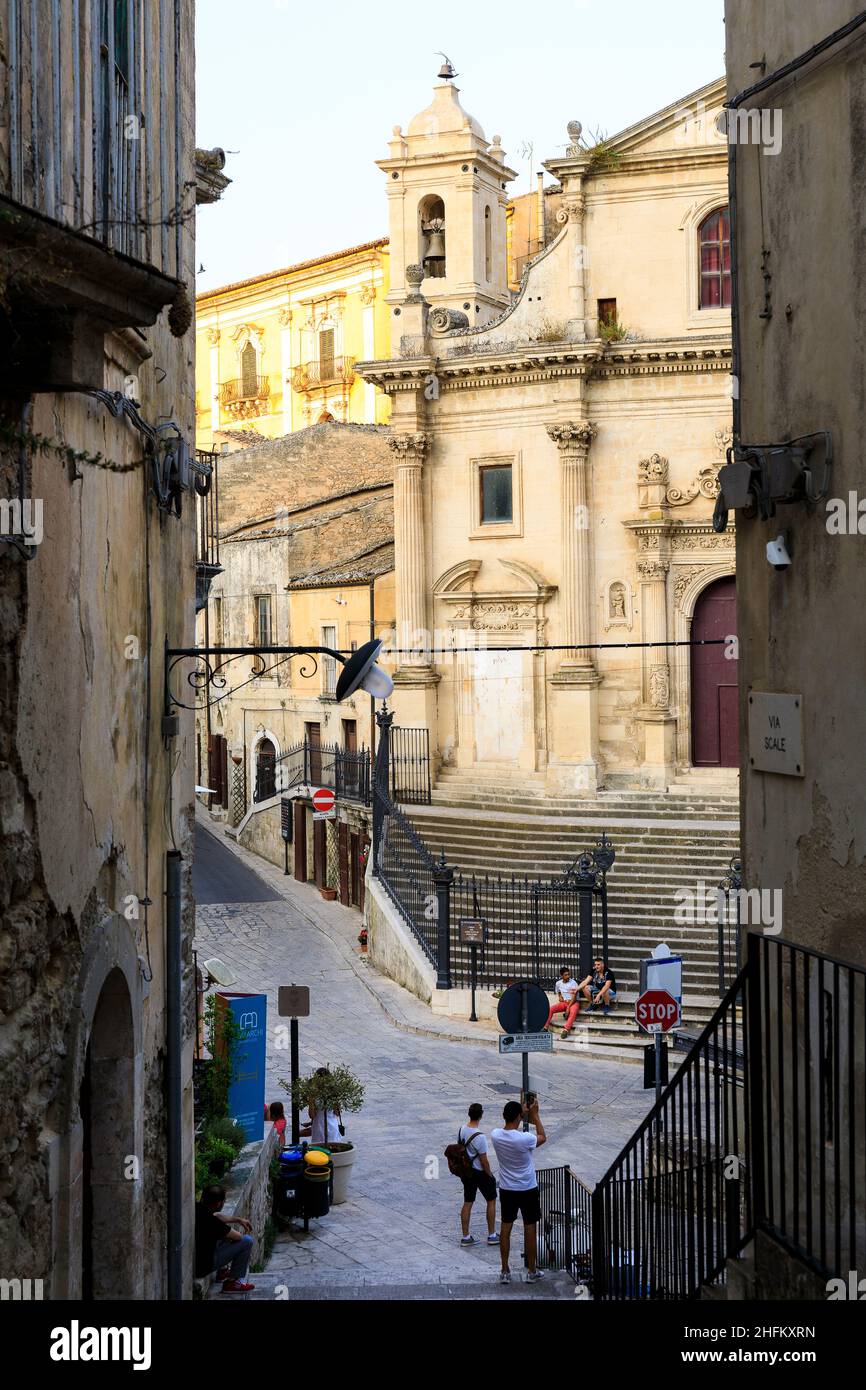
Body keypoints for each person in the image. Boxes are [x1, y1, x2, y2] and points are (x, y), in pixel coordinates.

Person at [490, 1098, 547, 1284]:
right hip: (528, 1188)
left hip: (507, 1189)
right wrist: (535, 1115)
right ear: (518, 1117)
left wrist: (520, 1113)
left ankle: (505, 1270)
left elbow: (507, 1126)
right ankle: (531, 1271)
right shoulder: (525, 1139)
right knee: (530, 1228)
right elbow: (542, 1137)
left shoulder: (496, 1135)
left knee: (505, 1227)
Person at [194, 1184, 255, 1293]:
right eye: (223, 1201)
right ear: (219, 1203)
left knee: (223, 1237)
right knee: (246, 1241)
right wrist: (230, 1237)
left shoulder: (197, 1209)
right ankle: (232, 1283)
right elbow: (239, 1237)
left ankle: (222, 1272)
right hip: (204, 1265)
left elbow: (217, 1216)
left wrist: (238, 1220)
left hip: (199, 1257)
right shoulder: (212, 1223)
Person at [457, 1103, 499, 1247]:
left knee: (468, 1202)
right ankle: (492, 1234)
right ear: (481, 1115)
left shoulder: (462, 1129)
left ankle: (466, 1236)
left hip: (466, 1172)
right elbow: (484, 1161)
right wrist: (491, 1176)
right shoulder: (480, 1137)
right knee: (491, 1200)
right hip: (479, 1173)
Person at [300, 1067, 343, 1144]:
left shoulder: (315, 1095)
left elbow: (312, 1115)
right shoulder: (332, 1093)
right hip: (329, 1126)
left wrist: (311, 1101)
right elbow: (337, 1113)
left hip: (320, 1127)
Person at [544, 966, 581, 1037]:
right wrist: (560, 996)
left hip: (573, 1002)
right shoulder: (558, 983)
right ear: (561, 976)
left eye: (569, 974)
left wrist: (568, 1008)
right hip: (564, 1002)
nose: (568, 976)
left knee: (573, 1012)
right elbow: (558, 991)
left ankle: (566, 1030)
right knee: (551, 1009)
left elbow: (574, 997)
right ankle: (545, 1027)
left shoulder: (573, 983)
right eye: (566, 975)